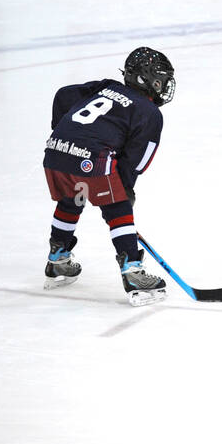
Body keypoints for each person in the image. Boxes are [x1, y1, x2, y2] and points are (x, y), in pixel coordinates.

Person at [41, 47, 174, 306]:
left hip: (56, 151)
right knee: (118, 208)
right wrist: (125, 190)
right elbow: (137, 161)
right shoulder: (150, 113)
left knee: (73, 198)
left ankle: (58, 258)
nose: (164, 86)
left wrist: (62, 132)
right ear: (146, 80)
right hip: (91, 158)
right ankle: (133, 273)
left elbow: (63, 95)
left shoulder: (106, 86)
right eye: (159, 80)